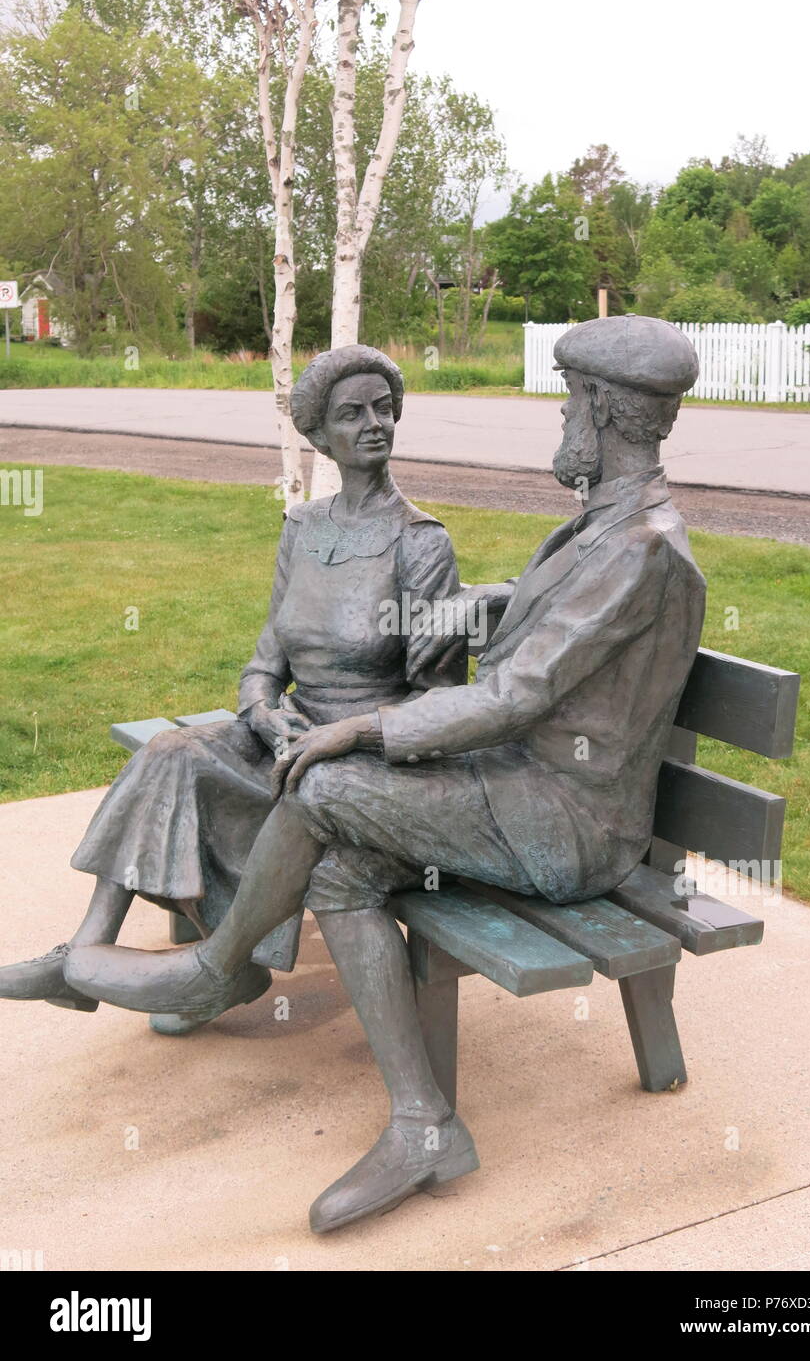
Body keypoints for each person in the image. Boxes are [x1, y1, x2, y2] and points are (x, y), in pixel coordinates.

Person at [64, 316, 707, 1234]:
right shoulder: (602, 529)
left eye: (569, 401)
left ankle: (213, 970)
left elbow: (517, 697)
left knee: (328, 790)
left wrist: (361, 728)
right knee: (339, 862)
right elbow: (544, 635)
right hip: (523, 787)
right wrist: (470, 607)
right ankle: (425, 1125)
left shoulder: (639, 546)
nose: (561, 419)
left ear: (603, 409)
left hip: (569, 822)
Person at [0, 344, 473, 1031]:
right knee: (169, 753)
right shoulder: (303, 528)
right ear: (319, 437)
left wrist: (343, 736)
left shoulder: (421, 543)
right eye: (351, 414)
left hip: (360, 764)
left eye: (383, 409)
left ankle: (194, 974)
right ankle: (85, 952)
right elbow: (264, 661)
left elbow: (437, 706)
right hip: (286, 737)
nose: (373, 423)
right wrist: (260, 711)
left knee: (207, 781)